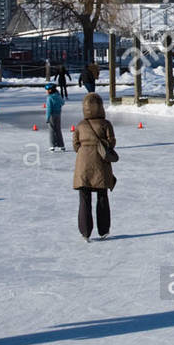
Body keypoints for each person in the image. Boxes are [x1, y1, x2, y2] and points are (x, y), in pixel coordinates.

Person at [72, 92, 116, 240]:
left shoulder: (80, 125)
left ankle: (85, 231)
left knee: (84, 198)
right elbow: (111, 143)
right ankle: (103, 230)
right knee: (102, 196)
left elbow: (75, 145)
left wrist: (85, 149)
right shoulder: (106, 124)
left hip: (83, 165)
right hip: (100, 164)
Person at [45, 84, 66, 151]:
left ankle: (52, 145)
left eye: (47, 90)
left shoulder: (49, 98)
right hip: (58, 114)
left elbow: (49, 108)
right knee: (58, 130)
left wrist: (47, 118)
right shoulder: (58, 96)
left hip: (51, 115)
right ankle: (61, 145)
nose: (46, 92)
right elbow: (63, 103)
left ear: (50, 90)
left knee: (51, 130)